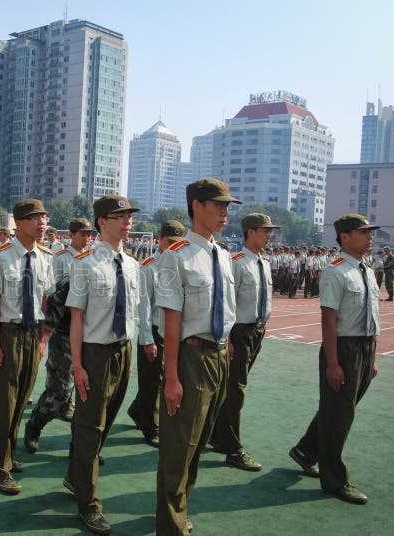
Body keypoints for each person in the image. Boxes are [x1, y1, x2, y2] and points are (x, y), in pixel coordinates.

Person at [156, 178, 241, 535]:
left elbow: (228, 309)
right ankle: (171, 525)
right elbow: (172, 323)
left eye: (227, 206)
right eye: (218, 205)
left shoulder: (222, 255)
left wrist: (228, 344)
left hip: (219, 356)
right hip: (190, 359)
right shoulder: (176, 257)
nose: (225, 212)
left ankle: (180, 510)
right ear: (196, 206)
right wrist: (172, 377)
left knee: (200, 440)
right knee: (179, 445)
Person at [289, 214, 380, 505]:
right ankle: (335, 479)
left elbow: (373, 318)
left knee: (338, 409)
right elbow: (328, 320)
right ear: (344, 237)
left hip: (365, 349)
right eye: (363, 232)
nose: (370, 237)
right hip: (343, 348)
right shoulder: (336, 271)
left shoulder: (366, 269)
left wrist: (373, 357)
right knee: (340, 416)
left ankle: (305, 450)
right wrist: (333, 363)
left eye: (370, 233)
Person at [63, 196, 140, 535]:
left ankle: (74, 477)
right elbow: (76, 319)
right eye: (118, 216)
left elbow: (134, 314)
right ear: (101, 221)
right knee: (90, 427)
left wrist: (130, 356)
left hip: (122, 352)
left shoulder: (133, 264)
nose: (127, 221)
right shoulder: (84, 262)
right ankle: (88, 503)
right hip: (94, 354)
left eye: (129, 216)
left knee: (103, 424)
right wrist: (77, 366)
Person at [0, 199, 54, 495]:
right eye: (35, 218)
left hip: (32, 336)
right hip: (8, 335)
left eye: (44, 218)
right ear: (19, 224)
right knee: (2, 405)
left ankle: (8, 455)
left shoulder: (46, 257)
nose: (42, 223)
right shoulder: (0, 257)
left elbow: (46, 303)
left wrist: (43, 340)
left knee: (21, 399)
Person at [209, 213, 279, 472]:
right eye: (265, 231)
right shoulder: (237, 262)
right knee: (235, 389)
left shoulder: (264, 262)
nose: (269, 235)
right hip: (239, 332)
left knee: (233, 387)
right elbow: (226, 302)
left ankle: (216, 434)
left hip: (256, 331)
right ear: (250, 232)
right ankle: (232, 447)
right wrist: (227, 337)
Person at [24, 217, 94, 454]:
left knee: (90, 395)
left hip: (91, 334)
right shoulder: (60, 260)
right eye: (82, 234)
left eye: (89, 234)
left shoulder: (94, 260)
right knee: (60, 391)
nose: (86, 238)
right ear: (72, 235)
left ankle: (82, 444)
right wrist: (46, 334)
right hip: (63, 331)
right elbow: (52, 296)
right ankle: (35, 425)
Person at [127, 219, 186, 449]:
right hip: (153, 330)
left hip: (174, 331)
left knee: (164, 378)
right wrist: (147, 340)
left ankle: (137, 410)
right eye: (169, 241)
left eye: (177, 243)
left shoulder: (181, 264)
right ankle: (151, 427)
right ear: (159, 239)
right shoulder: (149, 267)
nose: (173, 246)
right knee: (153, 380)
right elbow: (144, 308)